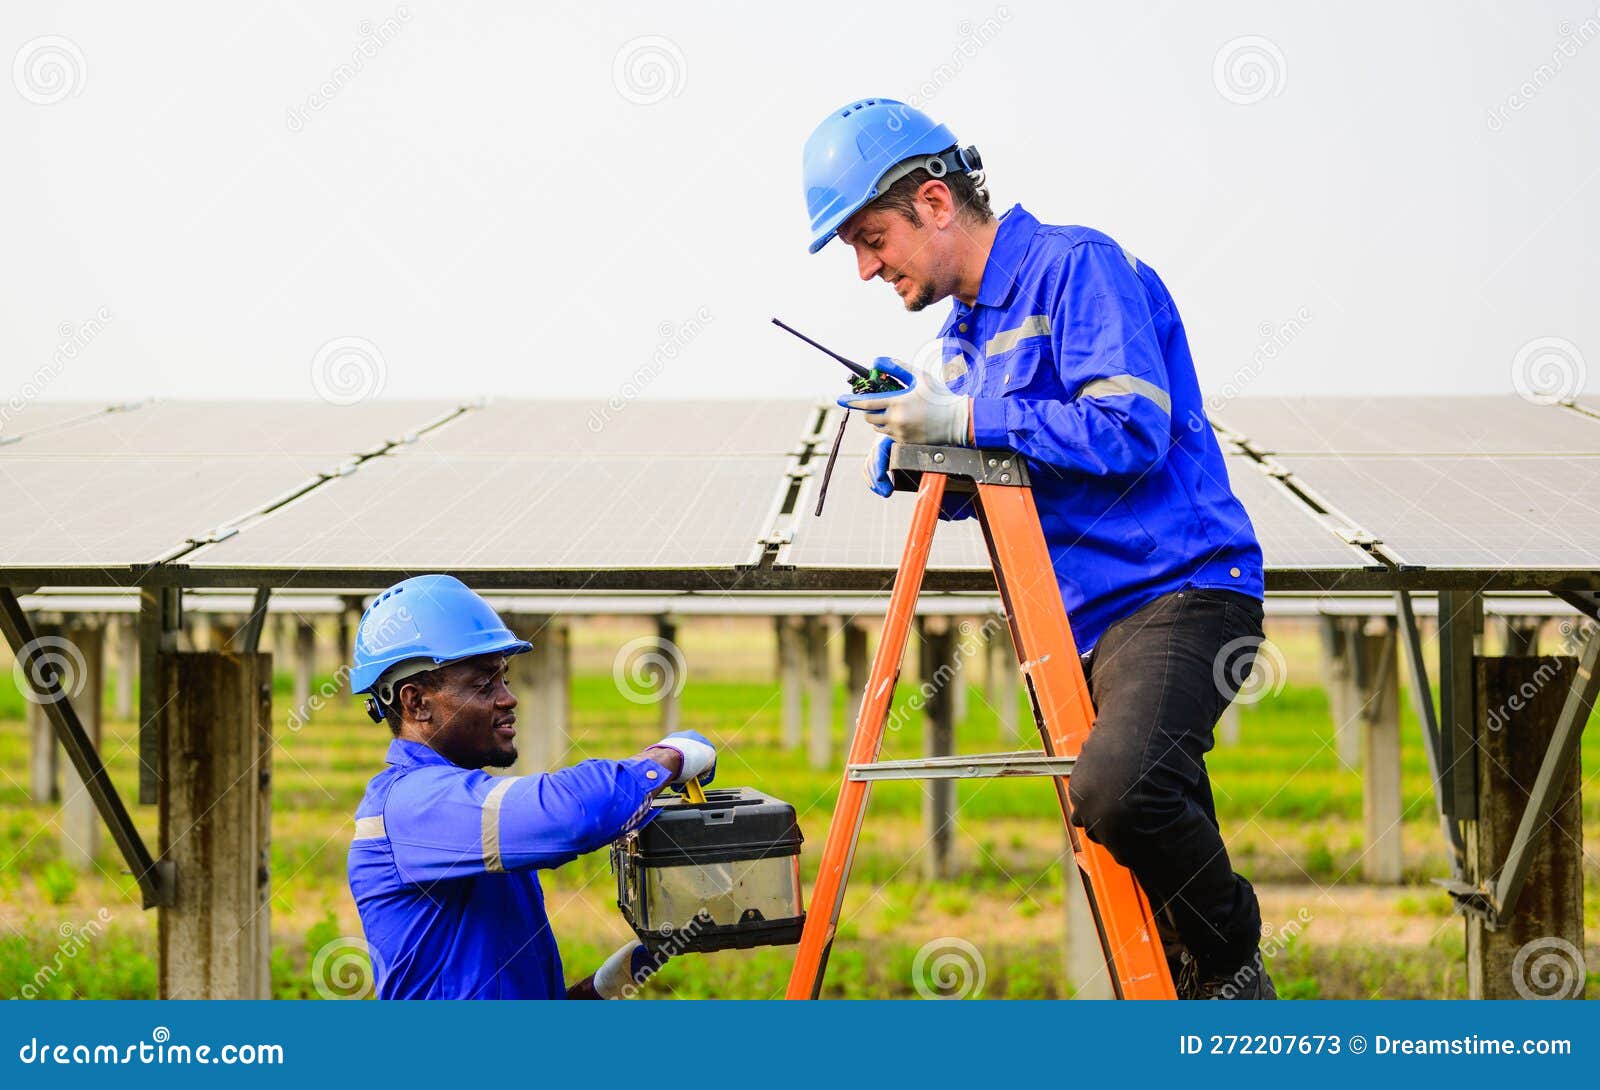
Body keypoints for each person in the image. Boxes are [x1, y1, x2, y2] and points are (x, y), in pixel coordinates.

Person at [803, 98, 1274, 999]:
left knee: (1122, 791)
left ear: (935, 203)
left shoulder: (1078, 267)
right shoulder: (961, 339)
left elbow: (1130, 426)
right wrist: (916, 448)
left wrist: (967, 416)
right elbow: (998, 480)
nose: (865, 269)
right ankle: (1208, 1006)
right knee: (1139, 839)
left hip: (1181, 590)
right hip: (1082, 628)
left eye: (871, 239)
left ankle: (1234, 966)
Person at [345, 573, 714, 999]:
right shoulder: (412, 804)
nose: (508, 698)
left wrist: (592, 992)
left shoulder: (457, 804)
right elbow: (569, 816)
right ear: (416, 702)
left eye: (504, 678)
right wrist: (666, 758)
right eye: (484, 684)